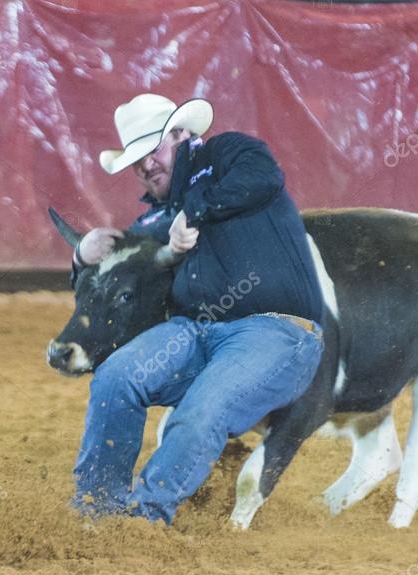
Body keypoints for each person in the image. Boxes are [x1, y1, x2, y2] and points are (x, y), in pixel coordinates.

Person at [71, 93, 325, 525]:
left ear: (182, 135)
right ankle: (97, 514)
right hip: (192, 333)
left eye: (153, 150)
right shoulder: (153, 221)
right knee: (116, 377)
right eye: (136, 160)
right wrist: (82, 256)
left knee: (202, 410)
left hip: (276, 331)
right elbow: (112, 281)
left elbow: (264, 176)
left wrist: (192, 211)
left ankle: (142, 523)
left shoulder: (227, 154)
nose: (145, 166)